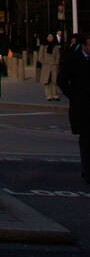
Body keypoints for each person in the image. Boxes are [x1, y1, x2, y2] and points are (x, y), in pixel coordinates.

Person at [57, 31, 90, 182]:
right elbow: (62, 80)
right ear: (83, 46)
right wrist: (74, 96)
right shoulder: (73, 59)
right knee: (86, 137)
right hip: (82, 105)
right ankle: (87, 169)